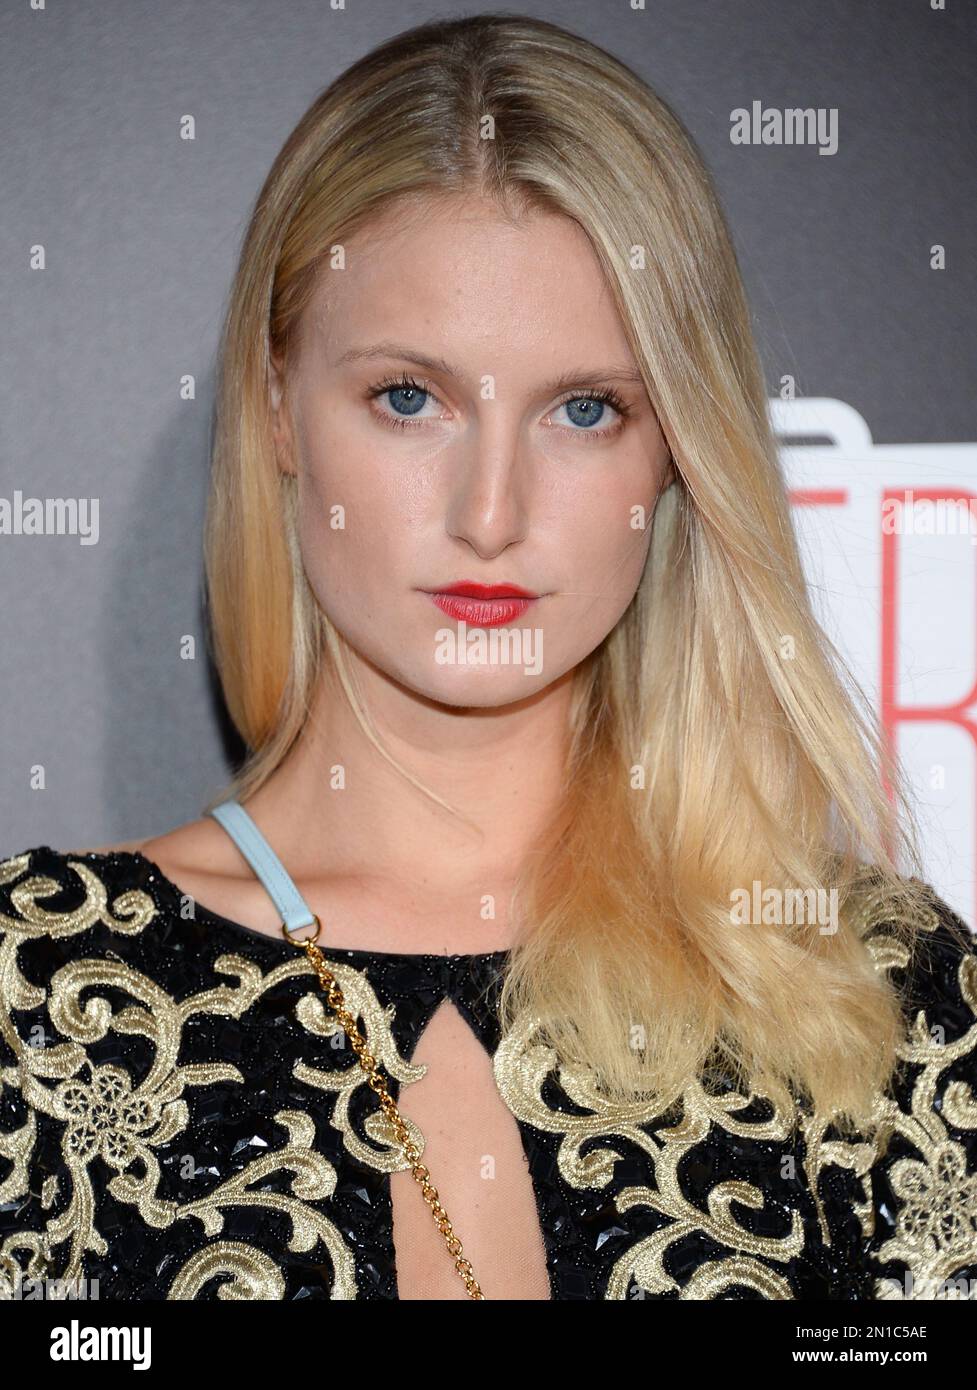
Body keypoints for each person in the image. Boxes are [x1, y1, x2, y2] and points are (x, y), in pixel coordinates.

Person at [1, 13, 975, 1303]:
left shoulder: (878, 995)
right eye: (410, 398)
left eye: (586, 409)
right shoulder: (35, 999)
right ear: (278, 405)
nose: (491, 514)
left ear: (676, 450)